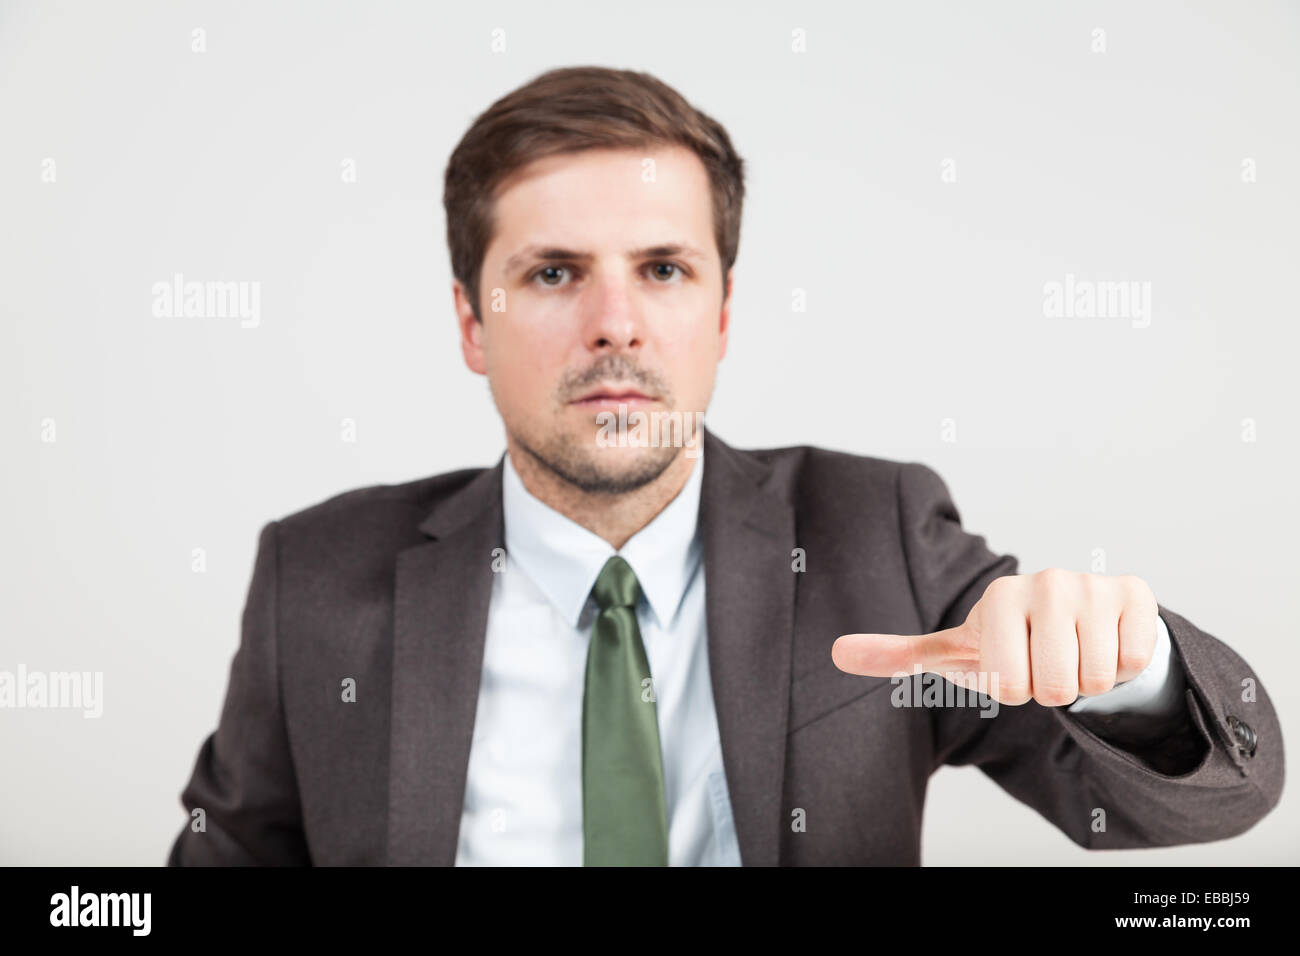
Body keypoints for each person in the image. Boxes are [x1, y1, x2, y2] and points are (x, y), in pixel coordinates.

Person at [168, 66, 1282, 866]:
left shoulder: (872, 534)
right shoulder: (317, 573)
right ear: (472, 321)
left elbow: (1194, 809)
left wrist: (1123, 677)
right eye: (553, 274)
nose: (616, 323)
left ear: (724, 310)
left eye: (662, 267)